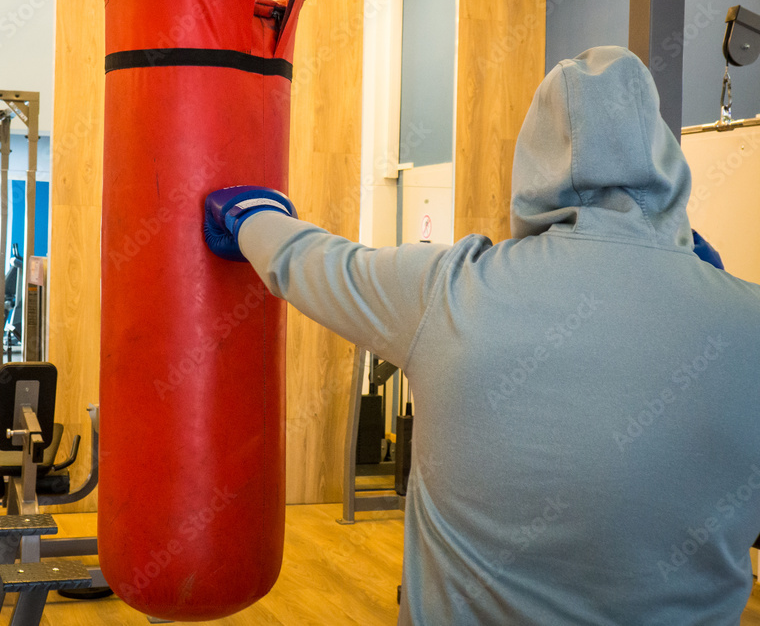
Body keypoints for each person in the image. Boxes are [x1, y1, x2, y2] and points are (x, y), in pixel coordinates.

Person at [204, 46, 760, 625]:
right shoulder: (749, 323)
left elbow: (314, 262)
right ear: (666, 158)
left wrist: (252, 216)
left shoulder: (450, 287)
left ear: (537, 163)